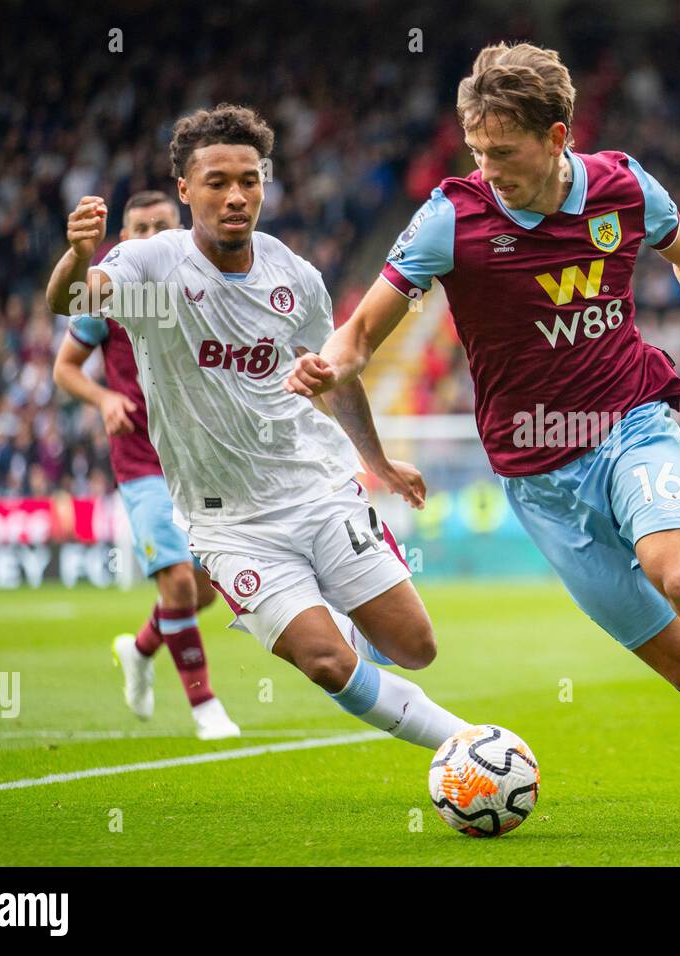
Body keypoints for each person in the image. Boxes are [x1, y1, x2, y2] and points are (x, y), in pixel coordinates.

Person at [289, 45, 680, 828]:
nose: (487, 168)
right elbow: (362, 331)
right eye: (477, 151)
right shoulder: (451, 219)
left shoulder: (621, 187)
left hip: (631, 419)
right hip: (538, 478)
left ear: (557, 136)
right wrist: (328, 363)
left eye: (502, 152)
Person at [45, 103, 468, 752]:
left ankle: (339, 622)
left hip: (318, 488)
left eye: (249, 179)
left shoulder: (294, 279)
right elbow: (71, 300)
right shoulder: (151, 266)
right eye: (217, 182)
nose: (236, 195)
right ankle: (465, 743)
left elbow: (338, 376)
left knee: (416, 648)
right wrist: (78, 256)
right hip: (228, 520)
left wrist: (377, 462)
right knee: (326, 662)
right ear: (185, 190)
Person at [53, 190, 239, 740]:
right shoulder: (107, 300)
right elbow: (66, 369)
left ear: (180, 228)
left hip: (201, 462)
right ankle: (206, 707)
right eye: (140, 228)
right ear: (123, 239)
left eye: (163, 226)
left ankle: (139, 651)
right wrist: (104, 399)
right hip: (143, 463)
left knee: (206, 589)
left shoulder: (203, 288)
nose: (152, 236)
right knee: (179, 584)